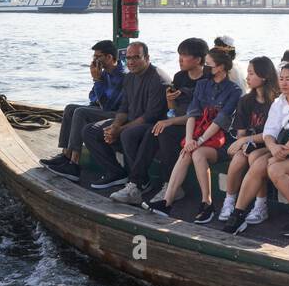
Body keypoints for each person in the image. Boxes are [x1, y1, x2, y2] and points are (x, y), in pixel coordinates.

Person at [222, 61, 289, 238]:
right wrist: (272, 147)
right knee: (257, 160)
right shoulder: (279, 103)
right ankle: (238, 213)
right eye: (281, 79)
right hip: (283, 151)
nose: (284, 83)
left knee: (274, 168)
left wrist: (280, 153)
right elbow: (269, 132)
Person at [147, 47, 242, 223]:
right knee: (186, 151)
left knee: (196, 152)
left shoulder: (234, 90)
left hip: (222, 139)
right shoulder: (202, 85)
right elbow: (193, 114)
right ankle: (167, 202)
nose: (205, 68)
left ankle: (207, 202)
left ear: (220, 67)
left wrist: (198, 141)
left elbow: (220, 121)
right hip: (200, 135)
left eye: (209, 65)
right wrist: (190, 139)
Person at [110, 37, 207, 205]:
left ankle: (171, 186)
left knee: (163, 132)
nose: (180, 59)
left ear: (198, 59)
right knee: (152, 131)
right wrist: (170, 100)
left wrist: (170, 122)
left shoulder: (207, 80)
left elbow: (201, 114)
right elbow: (172, 108)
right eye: (179, 55)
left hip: (198, 125)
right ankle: (135, 184)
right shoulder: (180, 76)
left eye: (184, 55)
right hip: (178, 120)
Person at [79, 41, 170, 191]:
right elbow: (124, 108)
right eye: (128, 58)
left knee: (127, 134)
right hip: (131, 120)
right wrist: (115, 126)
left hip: (152, 124)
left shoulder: (158, 79)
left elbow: (150, 116)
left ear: (147, 58)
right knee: (90, 130)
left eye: (136, 57)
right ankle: (116, 173)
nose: (131, 62)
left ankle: (141, 181)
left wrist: (119, 130)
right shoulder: (129, 78)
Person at [43, 40, 125, 180]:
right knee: (70, 108)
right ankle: (66, 155)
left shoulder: (122, 75)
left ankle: (74, 164)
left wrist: (97, 80)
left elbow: (108, 106)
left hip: (117, 114)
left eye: (98, 57)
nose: (94, 60)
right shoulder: (104, 73)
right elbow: (92, 96)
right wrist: (98, 83)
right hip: (102, 107)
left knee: (80, 112)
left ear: (109, 57)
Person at [219, 56, 280, 225]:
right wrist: (243, 143)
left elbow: (272, 133)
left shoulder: (276, 102)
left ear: (264, 76)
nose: (247, 77)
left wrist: (243, 141)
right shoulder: (246, 100)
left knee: (254, 158)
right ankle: (229, 201)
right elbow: (240, 132)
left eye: (252, 73)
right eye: (247, 73)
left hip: (271, 145)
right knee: (238, 159)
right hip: (249, 143)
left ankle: (261, 205)